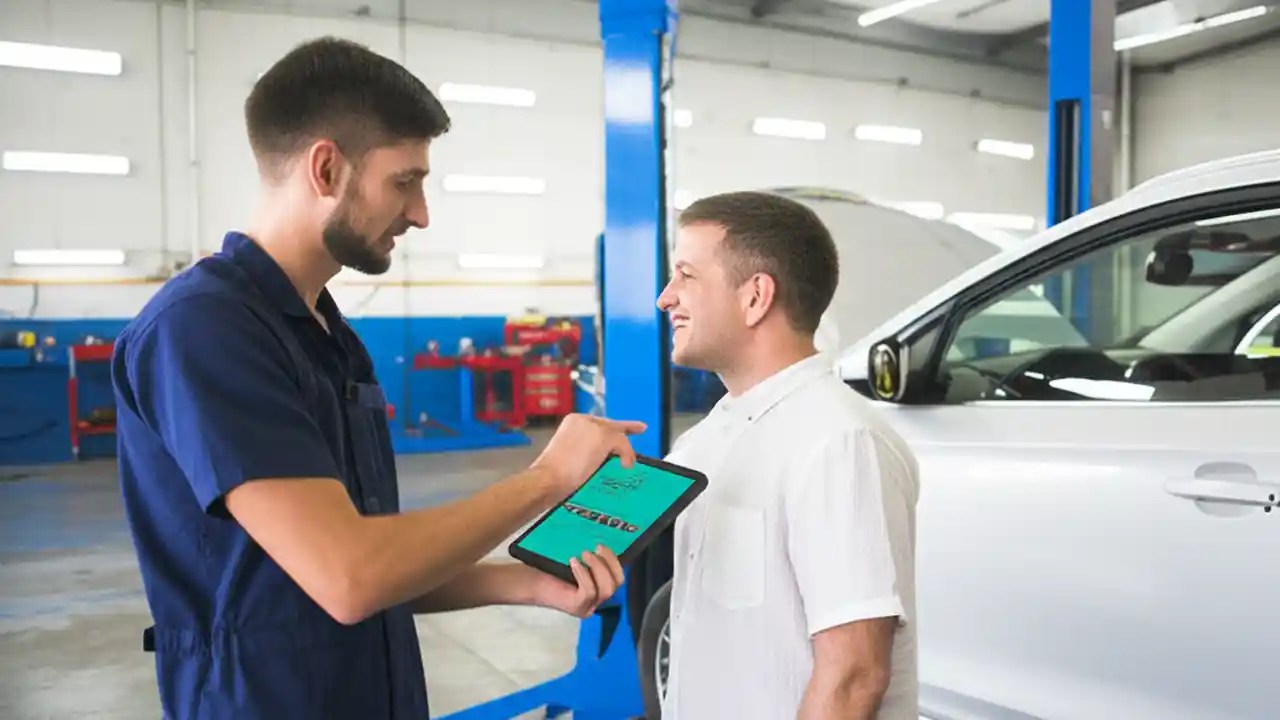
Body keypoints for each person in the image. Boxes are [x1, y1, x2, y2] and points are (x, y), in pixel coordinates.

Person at [110, 37, 640, 719]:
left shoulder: (332, 339)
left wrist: (527, 586)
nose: (420, 214)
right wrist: (547, 479)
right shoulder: (205, 330)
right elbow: (350, 576)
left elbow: (377, 561)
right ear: (326, 168)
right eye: (404, 181)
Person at [655, 191, 920, 719]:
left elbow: (853, 677)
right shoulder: (708, 438)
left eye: (686, 275)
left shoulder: (838, 442)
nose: (666, 298)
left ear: (755, 296)